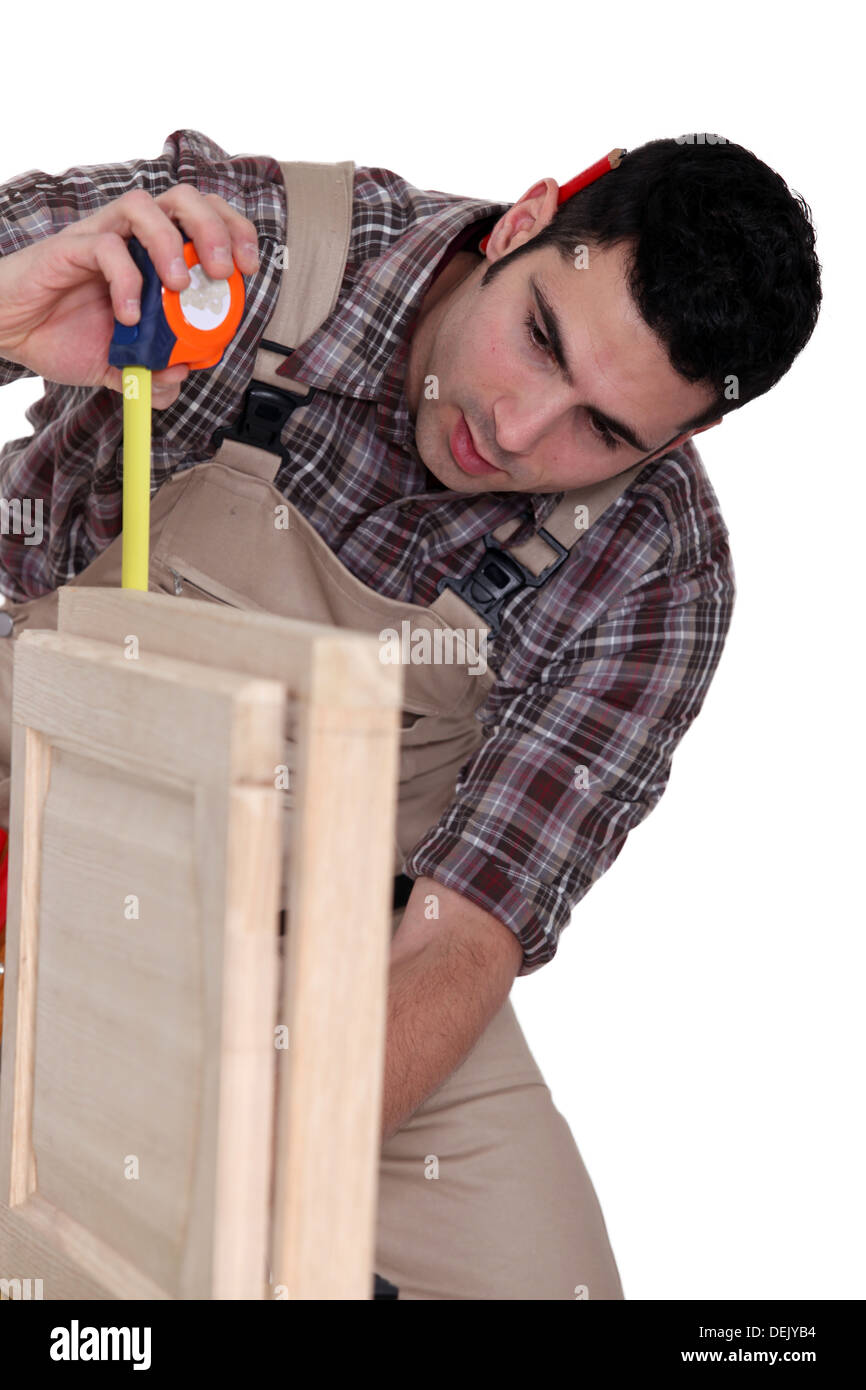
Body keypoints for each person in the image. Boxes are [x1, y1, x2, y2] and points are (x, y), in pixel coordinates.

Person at [0, 132, 822, 1298]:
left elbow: (461, 931)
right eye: (539, 339)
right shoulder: (252, 249)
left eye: (602, 429)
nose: (521, 431)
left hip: (333, 954)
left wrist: (260, 1168)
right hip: (30, 806)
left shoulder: (659, 573)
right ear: (526, 217)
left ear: (682, 438)